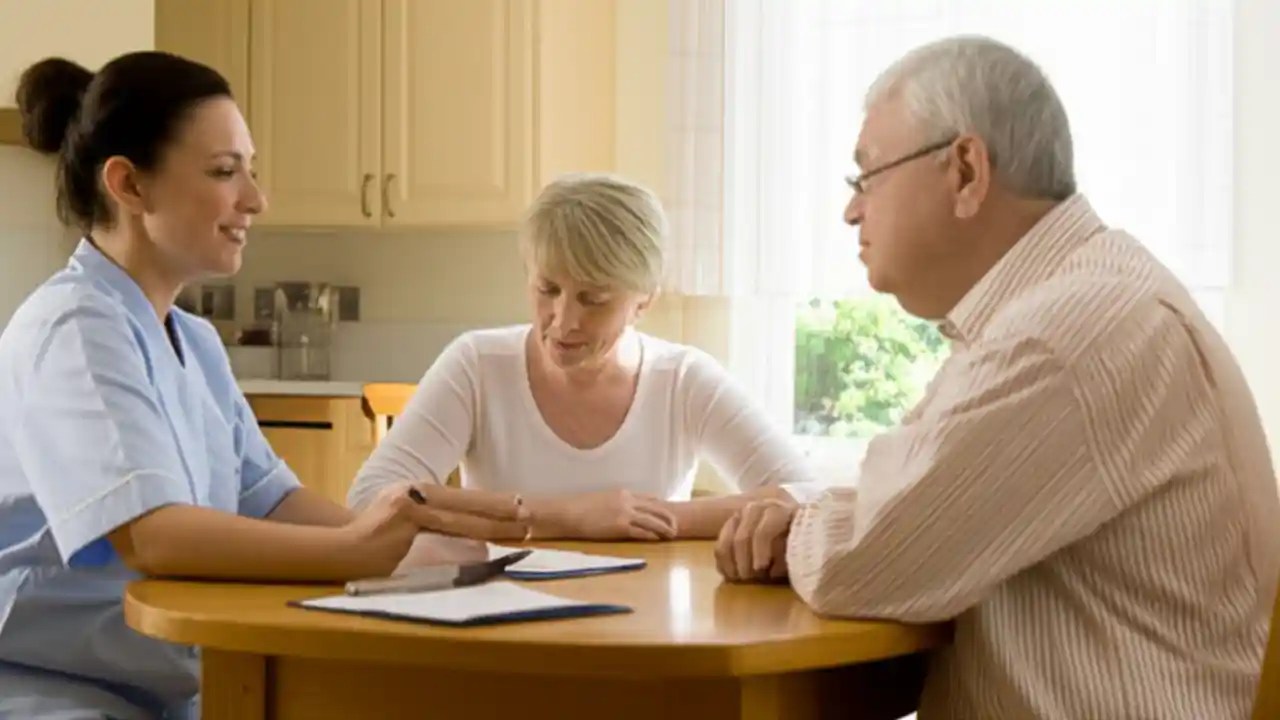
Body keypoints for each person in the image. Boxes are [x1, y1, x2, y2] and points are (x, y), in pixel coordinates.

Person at [716, 35, 1280, 719]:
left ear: (965, 170)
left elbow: (870, 560)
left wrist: (795, 531)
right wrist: (821, 520)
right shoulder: (1070, 300)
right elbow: (900, 502)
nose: (851, 210)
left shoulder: (1063, 335)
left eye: (866, 176)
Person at [0, 53, 524, 719]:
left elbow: (269, 498)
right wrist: (354, 552)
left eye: (252, 169)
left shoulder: (193, 341)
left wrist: (423, 550)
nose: (256, 198)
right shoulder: (73, 328)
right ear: (129, 185)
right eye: (225, 172)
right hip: (49, 690)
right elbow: (153, 537)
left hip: (164, 685)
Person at [349, 173, 819, 540]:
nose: (563, 320)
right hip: (497, 617)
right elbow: (370, 501)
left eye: (593, 299)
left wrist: (657, 519)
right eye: (547, 289)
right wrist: (565, 515)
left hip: (645, 626)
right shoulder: (478, 364)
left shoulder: (683, 380)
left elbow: (810, 499)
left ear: (644, 300)